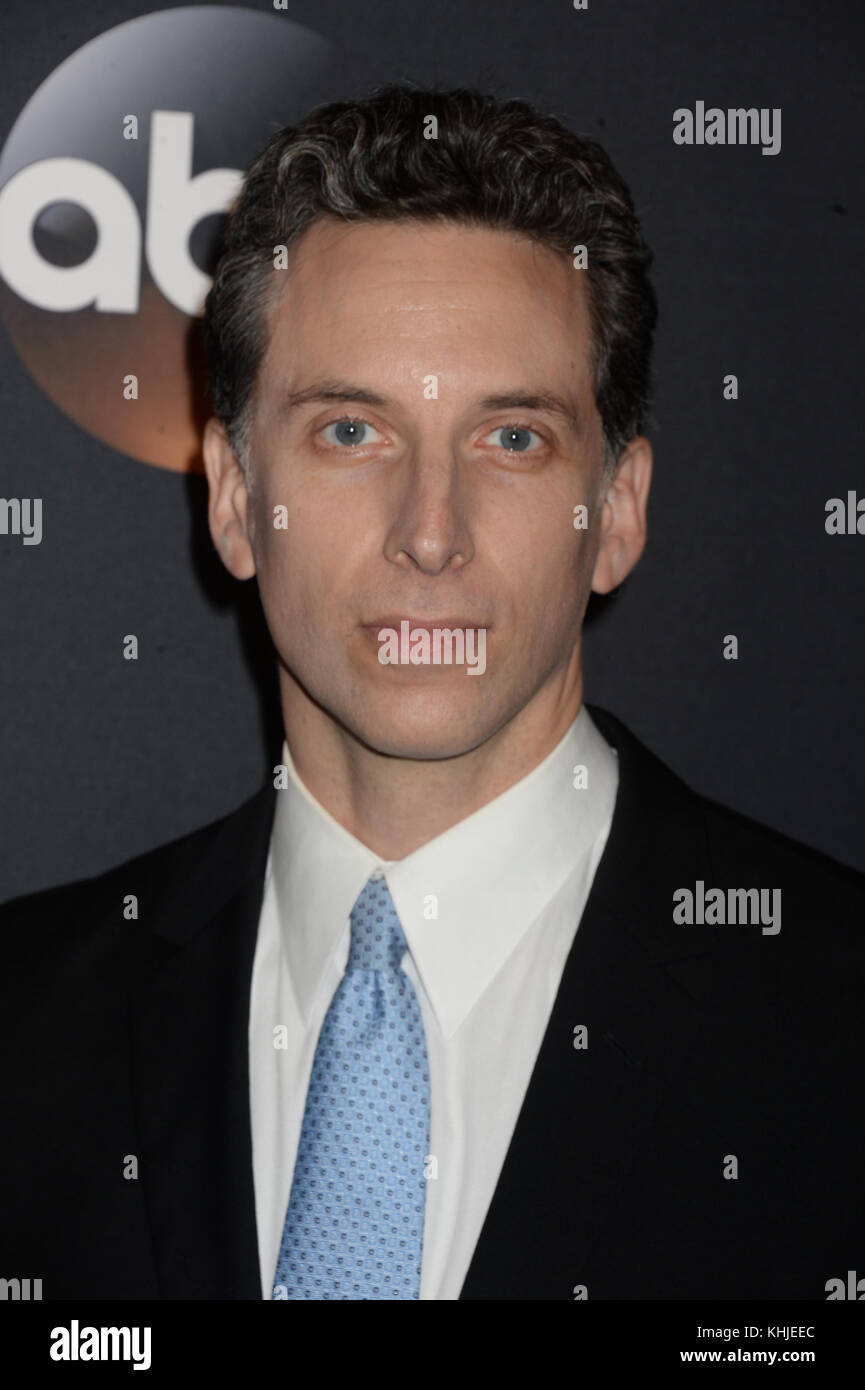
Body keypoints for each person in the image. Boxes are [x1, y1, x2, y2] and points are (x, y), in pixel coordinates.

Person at [1, 84, 862, 1302]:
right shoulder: (26, 1028)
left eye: (511, 439)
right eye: (352, 432)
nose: (430, 533)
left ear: (614, 513)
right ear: (235, 498)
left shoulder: (832, 1025)